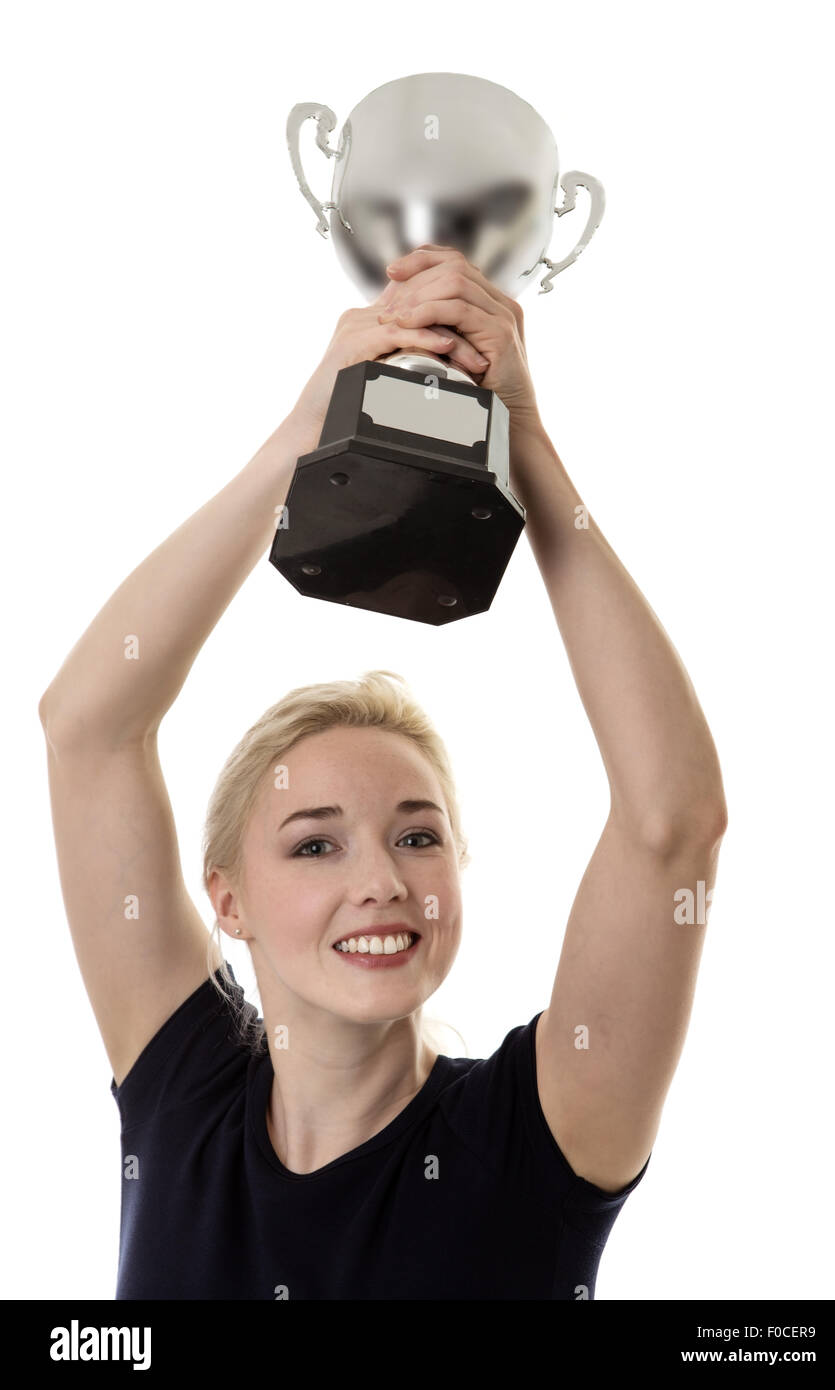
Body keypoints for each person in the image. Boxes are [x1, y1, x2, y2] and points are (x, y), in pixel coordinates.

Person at [38, 244, 727, 1300]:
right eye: (314, 841)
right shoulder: (182, 1093)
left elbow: (670, 822)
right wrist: (308, 431)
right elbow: (86, 725)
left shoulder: (538, 1132)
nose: (384, 882)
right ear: (227, 900)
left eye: (416, 834)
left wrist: (523, 441)